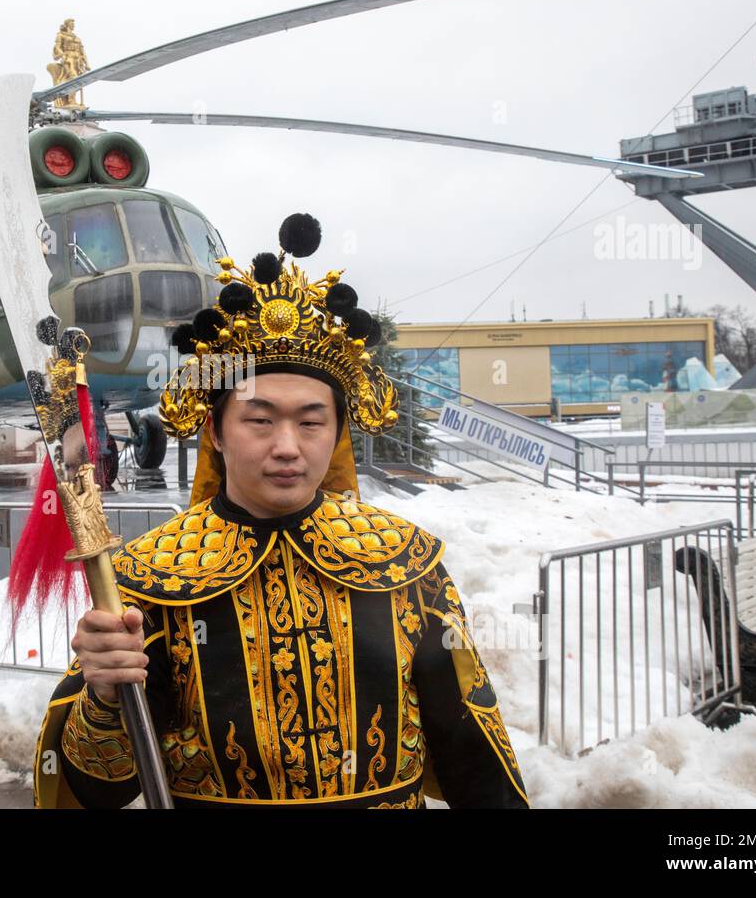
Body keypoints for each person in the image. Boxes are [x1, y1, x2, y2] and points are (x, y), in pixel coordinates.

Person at [32, 213, 528, 808]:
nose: (288, 446)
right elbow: (97, 789)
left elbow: (472, 751)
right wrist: (104, 697)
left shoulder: (404, 567)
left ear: (338, 432)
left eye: (311, 421)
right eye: (260, 420)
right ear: (215, 432)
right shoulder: (150, 581)